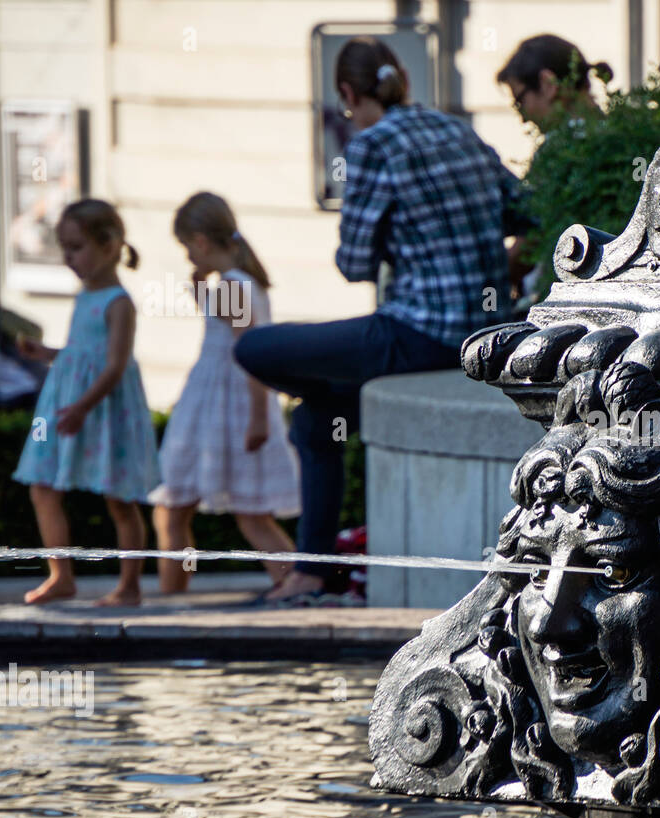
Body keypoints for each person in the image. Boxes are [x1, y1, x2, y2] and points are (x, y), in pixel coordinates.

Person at [234, 35, 532, 605]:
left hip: (416, 333)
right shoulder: (455, 129)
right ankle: (310, 572)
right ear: (401, 80)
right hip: (483, 334)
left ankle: (312, 571)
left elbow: (353, 263)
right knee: (316, 420)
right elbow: (523, 210)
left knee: (255, 350)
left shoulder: (371, 146)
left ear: (347, 93)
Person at [149, 192, 300, 595]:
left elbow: (247, 352)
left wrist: (255, 418)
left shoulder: (233, 286)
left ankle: (173, 598)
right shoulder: (242, 283)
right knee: (241, 514)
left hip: (224, 407)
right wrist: (200, 288)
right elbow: (227, 326)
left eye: (186, 247)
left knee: (182, 510)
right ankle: (297, 585)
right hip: (222, 403)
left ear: (200, 241)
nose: (186, 257)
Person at [12, 199, 160, 607]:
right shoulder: (83, 297)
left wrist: (83, 406)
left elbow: (114, 366)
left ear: (110, 244)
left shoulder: (118, 302)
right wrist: (45, 353)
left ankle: (129, 585)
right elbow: (81, 354)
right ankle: (61, 575)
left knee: (120, 499)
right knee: (42, 488)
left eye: (76, 247)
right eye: (64, 247)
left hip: (103, 408)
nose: (68, 257)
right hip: (68, 404)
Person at [497, 35, 612, 301]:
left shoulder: (558, 148)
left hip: (555, 298)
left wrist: (493, 279)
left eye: (520, 100)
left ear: (548, 84)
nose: (522, 115)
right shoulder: (616, 138)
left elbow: (533, 239)